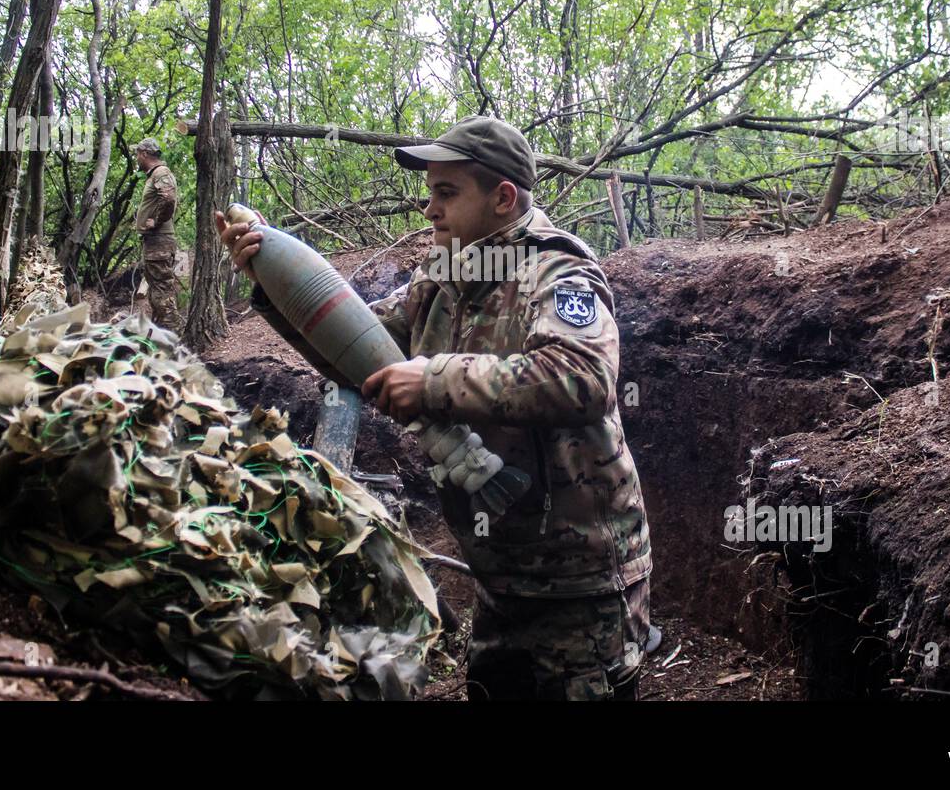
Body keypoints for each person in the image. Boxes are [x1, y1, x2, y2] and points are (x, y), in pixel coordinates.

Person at [215, 115, 653, 700]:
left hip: (580, 581)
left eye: (446, 192)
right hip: (501, 572)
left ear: (502, 198)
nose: (429, 210)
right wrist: (271, 278)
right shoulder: (442, 278)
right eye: (430, 193)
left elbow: (584, 377)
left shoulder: (558, 271)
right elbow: (360, 352)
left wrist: (435, 380)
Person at [134, 137, 181, 330]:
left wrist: (157, 220)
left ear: (144, 154)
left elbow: (169, 199)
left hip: (159, 241)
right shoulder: (154, 175)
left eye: (137, 154)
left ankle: (175, 340)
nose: (136, 158)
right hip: (154, 242)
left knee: (162, 294)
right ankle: (162, 337)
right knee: (157, 293)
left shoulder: (161, 172)